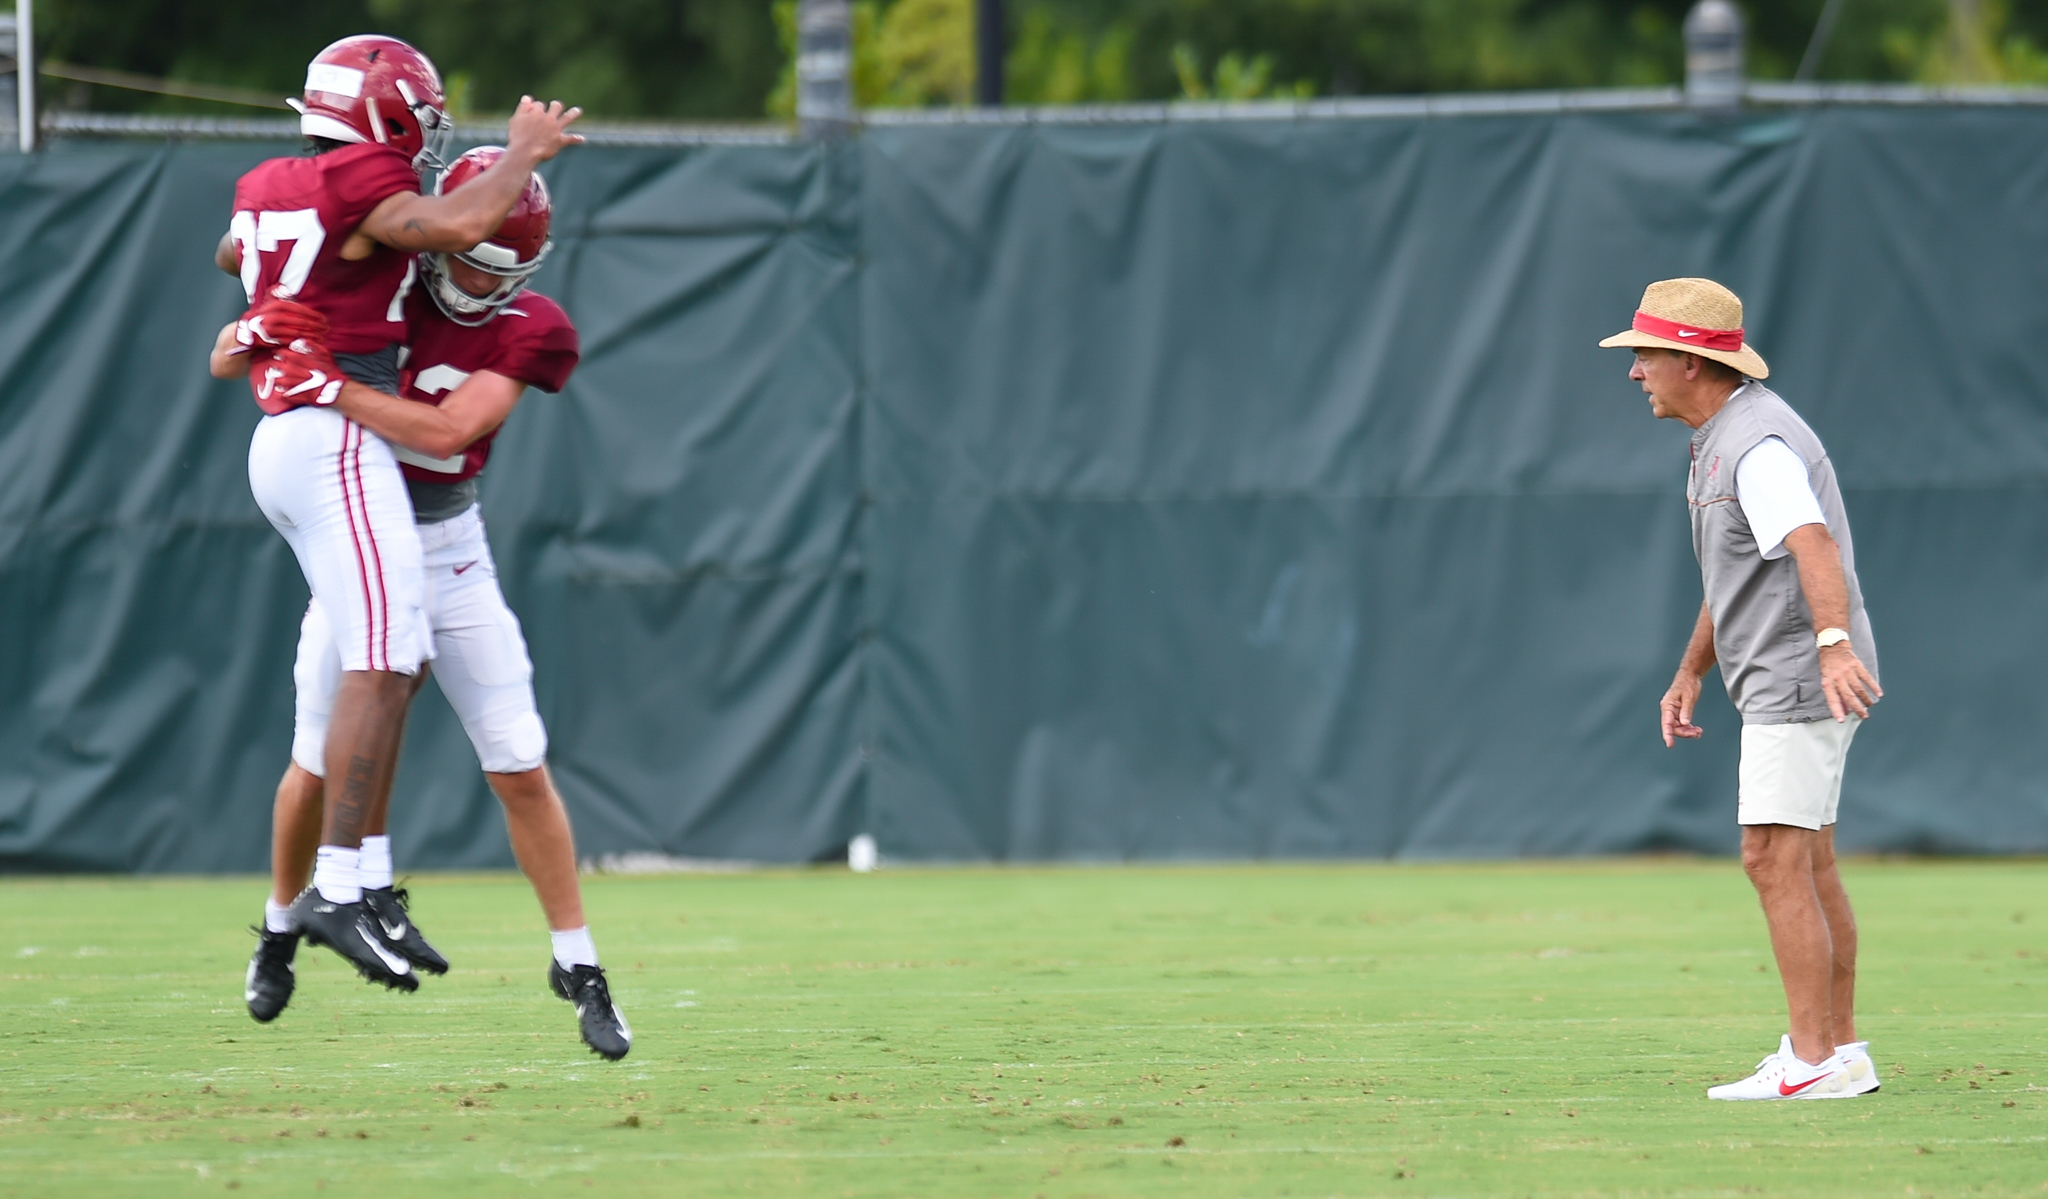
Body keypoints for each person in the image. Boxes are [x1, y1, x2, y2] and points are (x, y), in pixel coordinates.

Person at [214, 149, 629, 1060]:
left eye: (496, 261)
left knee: (520, 758)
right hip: (356, 538)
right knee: (314, 759)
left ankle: (579, 963)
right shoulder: (381, 274)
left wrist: (330, 384)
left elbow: (448, 430)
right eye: (468, 250)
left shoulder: (532, 325)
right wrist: (260, 339)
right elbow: (239, 332)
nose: (477, 274)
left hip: (447, 547)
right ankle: (285, 926)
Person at [1601, 278, 1884, 1101]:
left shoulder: (1755, 445)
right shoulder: (1729, 435)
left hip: (1799, 678)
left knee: (1771, 856)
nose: (1634, 371)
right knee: (1810, 860)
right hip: (1792, 673)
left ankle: (1811, 1061)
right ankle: (1838, 1050)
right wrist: (1693, 668)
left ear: (1692, 363)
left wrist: (1831, 648)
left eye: (1645, 354)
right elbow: (1739, 576)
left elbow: (1812, 545)